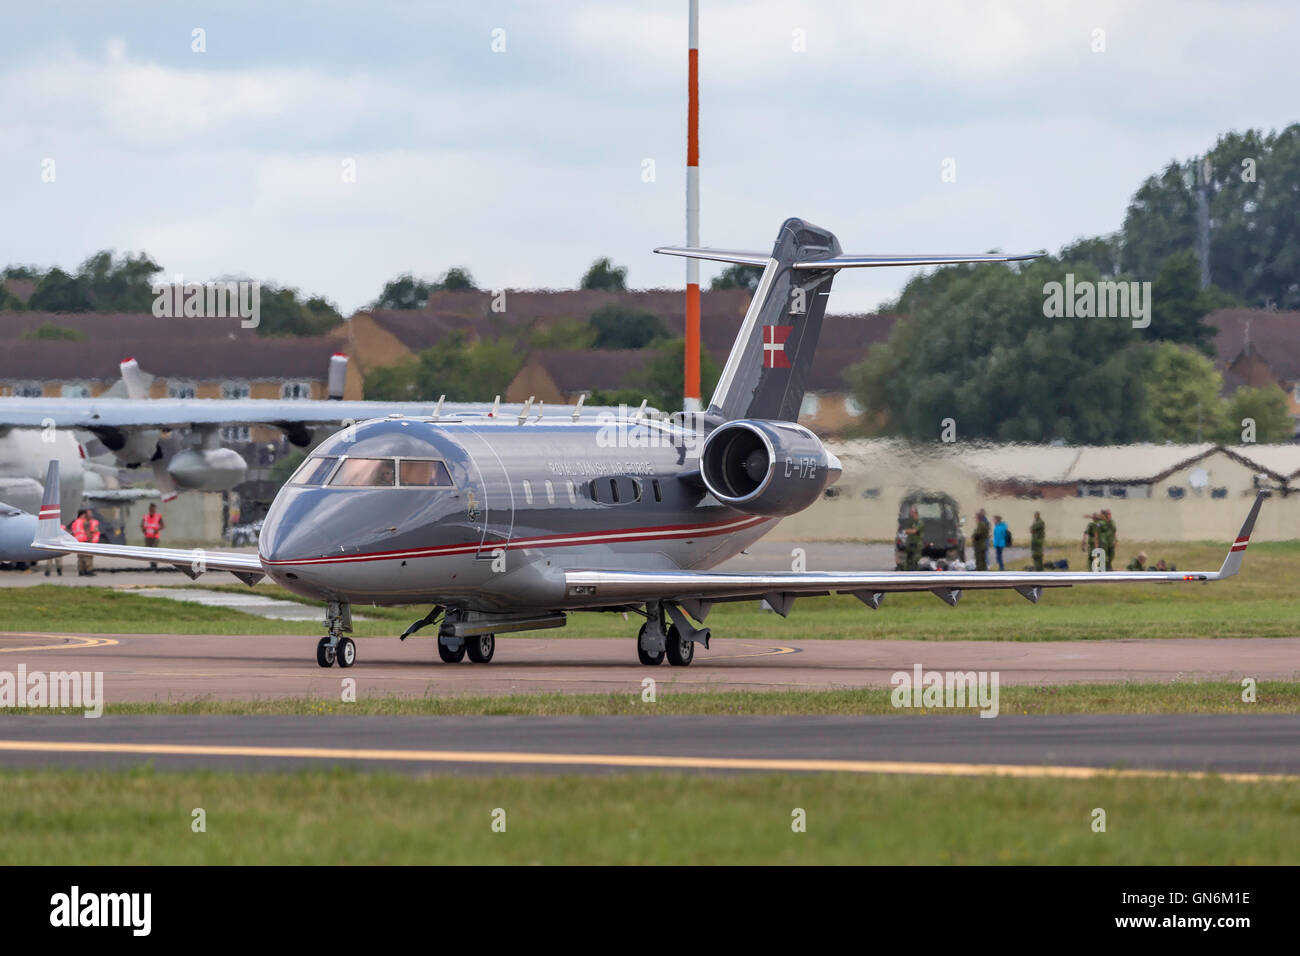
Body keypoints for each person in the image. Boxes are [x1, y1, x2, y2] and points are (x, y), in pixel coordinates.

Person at [70, 508, 101, 576]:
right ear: (83, 514)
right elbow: (88, 532)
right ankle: (89, 570)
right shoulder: (85, 522)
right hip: (86, 541)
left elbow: (72, 532)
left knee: (80, 557)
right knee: (88, 556)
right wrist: (90, 540)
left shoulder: (75, 522)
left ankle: (81, 571)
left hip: (78, 542)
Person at [141, 503, 165, 571]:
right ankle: (151, 564)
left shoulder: (158, 516)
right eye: (150, 508)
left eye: (153, 508)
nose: (151, 510)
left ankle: (155, 564)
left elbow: (162, 526)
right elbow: (142, 525)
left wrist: (157, 529)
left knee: (154, 550)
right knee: (148, 551)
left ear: (155, 509)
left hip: (155, 537)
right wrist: (144, 530)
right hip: (147, 537)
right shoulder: (145, 516)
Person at [902, 505, 923, 571]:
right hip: (910, 544)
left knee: (915, 561)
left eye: (911, 512)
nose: (910, 513)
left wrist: (907, 531)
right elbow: (906, 530)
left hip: (917, 544)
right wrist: (907, 531)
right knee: (908, 561)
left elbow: (914, 531)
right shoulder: (911, 522)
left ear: (915, 513)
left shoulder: (919, 522)